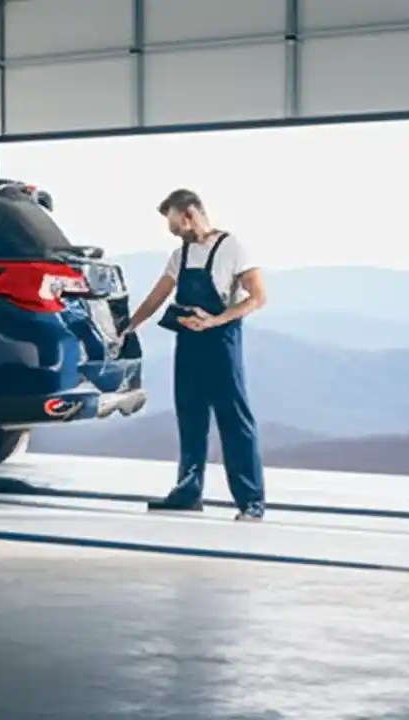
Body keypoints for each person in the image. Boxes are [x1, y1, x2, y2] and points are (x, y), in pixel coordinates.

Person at [119, 189, 268, 521]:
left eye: (176, 226)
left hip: (221, 344)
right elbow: (158, 296)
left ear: (189, 214)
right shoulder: (180, 255)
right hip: (187, 346)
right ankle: (188, 490)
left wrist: (215, 320)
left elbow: (257, 297)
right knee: (190, 418)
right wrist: (130, 327)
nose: (175, 234)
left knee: (234, 421)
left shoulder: (232, 248)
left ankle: (251, 501)